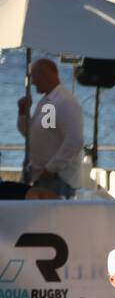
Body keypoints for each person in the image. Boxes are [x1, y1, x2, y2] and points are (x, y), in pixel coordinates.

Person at [16, 58, 84, 199]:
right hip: (44, 177)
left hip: (57, 179)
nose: (32, 82)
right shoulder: (49, 101)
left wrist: (51, 168)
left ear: (44, 74)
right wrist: (23, 113)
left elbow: (75, 140)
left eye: (34, 76)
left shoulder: (65, 101)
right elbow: (35, 134)